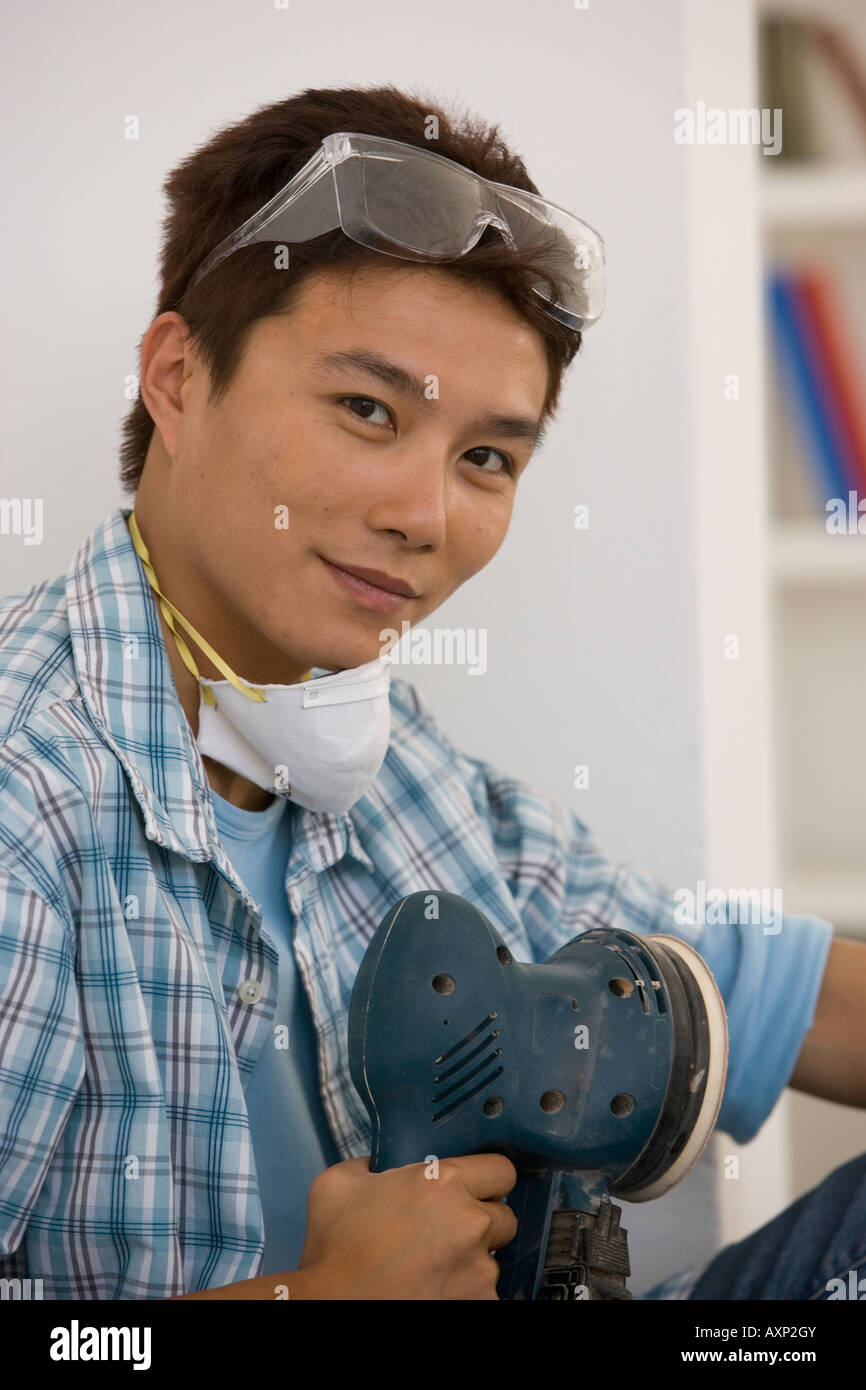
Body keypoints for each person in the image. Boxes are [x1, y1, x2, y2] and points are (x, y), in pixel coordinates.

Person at [0, 83, 864, 1302]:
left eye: (484, 459)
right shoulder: (25, 798)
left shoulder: (380, 752)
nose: (424, 515)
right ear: (178, 378)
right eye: (367, 408)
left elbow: (727, 974)